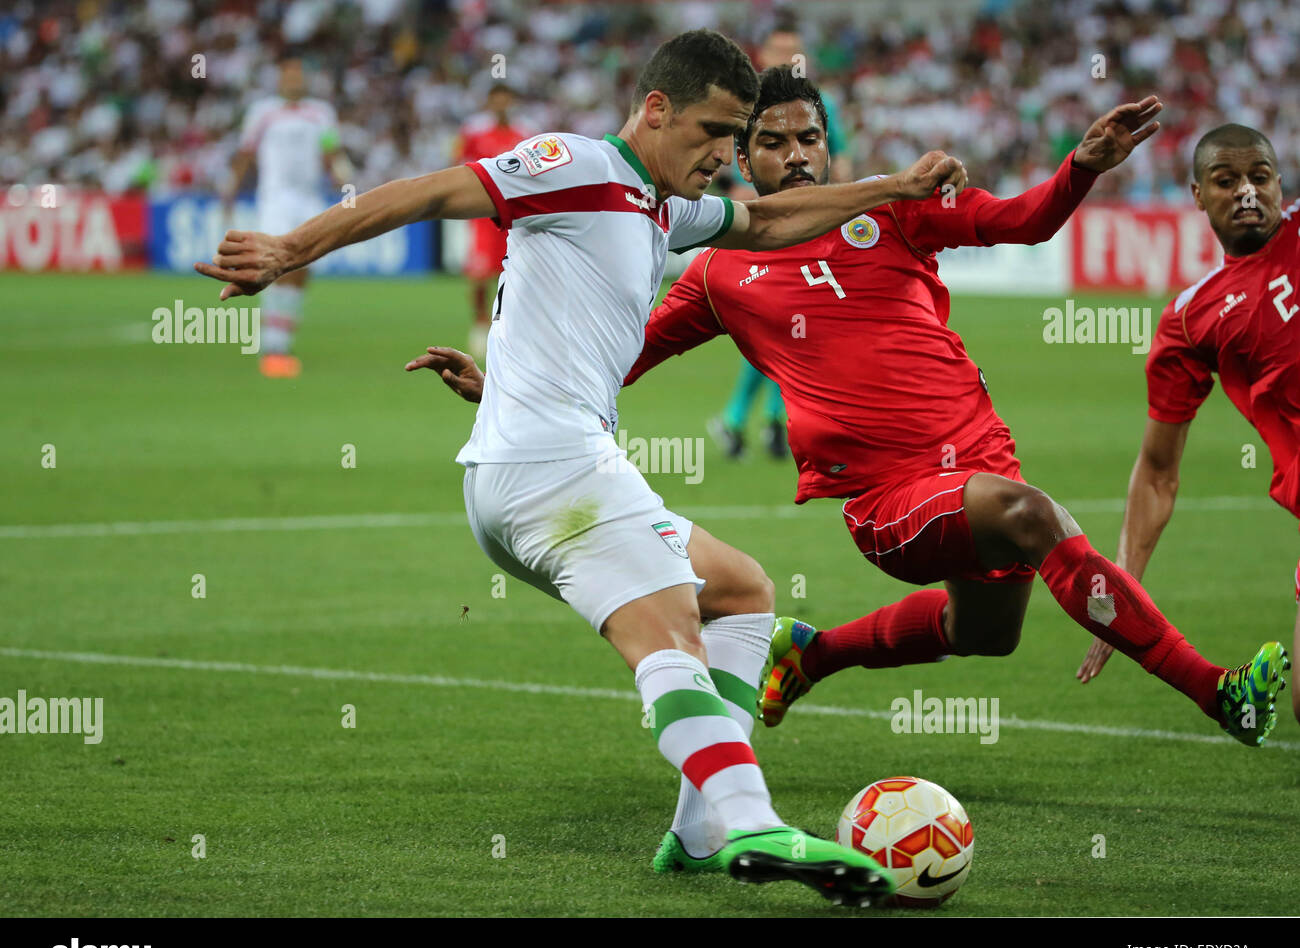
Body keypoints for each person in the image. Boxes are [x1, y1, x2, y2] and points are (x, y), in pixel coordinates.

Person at [418, 70, 1287, 873]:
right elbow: (618, 357)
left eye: (809, 139)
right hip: (888, 502)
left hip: (977, 461)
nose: (795, 156)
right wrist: (499, 386)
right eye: (773, 142)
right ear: (739, 156)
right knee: (1032, 516)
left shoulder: (896, 214)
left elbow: (1020, 221)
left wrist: (1081, 167)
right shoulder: (721, 269)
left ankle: (810, 653)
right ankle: (1221, 695)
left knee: (988, 631)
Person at [196, 30, 968, 906]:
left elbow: (775, 219)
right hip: (555, 471)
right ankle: (750, 820)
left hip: (534, 471)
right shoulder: (572, 164)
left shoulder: (662, 207)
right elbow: (430, 192)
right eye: (714, 131)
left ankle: (698, 831)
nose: (726, 155)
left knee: (741, 590)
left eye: (737, 134)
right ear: (655, 110)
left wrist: (894, 189)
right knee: (671, 632)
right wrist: (292, 249)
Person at [1076, 123, 1298, 728]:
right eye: (1227, 181)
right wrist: (1124, 592)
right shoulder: (1192, 319)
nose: (1248, 192)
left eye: (1260, 177)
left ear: (1280, 183)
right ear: (1198, 195)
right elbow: (1156, 472)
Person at [708, 21, 851, 461]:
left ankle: (753, 420)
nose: (788, 59)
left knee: (785, 320)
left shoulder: (817, 106)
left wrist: (838, 205)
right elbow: (720, 162)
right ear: (763, 55)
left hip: (805, 225)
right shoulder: (743, 106)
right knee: (777, 321)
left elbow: (840, 160)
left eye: (795, 52)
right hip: (756, 226)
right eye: (780, 51)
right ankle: (764, 418)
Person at [221, 57, 352, 378]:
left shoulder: (321, 113)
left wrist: (347, 184)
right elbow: (246, 154)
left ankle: (283, 339)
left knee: (302, 267)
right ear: (280, 80)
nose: (293, 81)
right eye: (288, 75)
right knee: (275, 263)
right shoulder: (262, 113)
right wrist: (230, 190)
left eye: (298, 75)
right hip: (275, 199)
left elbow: (332, 153)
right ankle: (274, 346)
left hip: (309, 199)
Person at [455, 84, 526, 360]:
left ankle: (508, 327)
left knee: (513, 272)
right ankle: (480, 323)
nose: (501, 105)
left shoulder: (524, 133)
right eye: (496, 100)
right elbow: (458, 164)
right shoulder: (474, 133)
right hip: (484, 216)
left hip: (514, 217)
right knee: (480, 275)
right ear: (490, 102)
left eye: (506, 100)